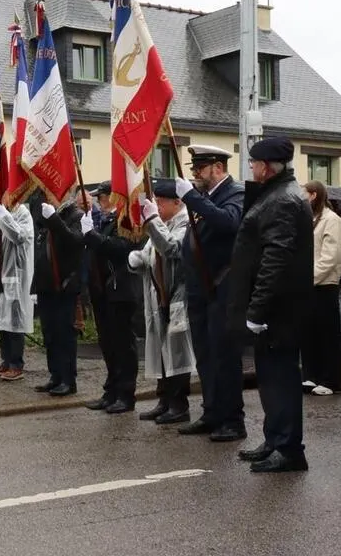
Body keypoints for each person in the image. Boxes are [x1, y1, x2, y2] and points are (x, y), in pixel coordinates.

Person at [229, 137, 313, 473]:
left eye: (253, 162)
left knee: (281, 379)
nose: (251, 167)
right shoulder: (278, 194)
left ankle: (289, 449)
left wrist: (257, 311)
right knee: (270, 377)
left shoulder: (283, 200)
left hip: (280, 311)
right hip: (277, 309)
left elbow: (275, 260)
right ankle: (275, 438)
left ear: (266, 166)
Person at [174, 145, 248, 443]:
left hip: (222, 286)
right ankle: (212, 411)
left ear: (217, 167)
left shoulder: (235, 194)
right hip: (200, 287)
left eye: (200, 169)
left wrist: (191, 198)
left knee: (224, 356)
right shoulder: (207, 197)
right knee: (205, 355)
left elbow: (228, 222)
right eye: (194, 169)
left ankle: (233, 420)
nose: (195, 174)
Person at [129, 180, 196, 424]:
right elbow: (150, 253)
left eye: (161, 202)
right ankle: (164, 400)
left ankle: (179, 405)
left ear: (177, 202)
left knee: (176, 351)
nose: (156, 206)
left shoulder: (186, 223)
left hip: (177, 295)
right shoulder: (164, 222)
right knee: (160, 348)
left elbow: (171, 248)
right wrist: (136, 259)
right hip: (157, 295)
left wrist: (153, 222)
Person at [80, 181, 144, 413]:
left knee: (122, 345)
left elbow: (121, 247)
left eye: (103, 198)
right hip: (103, 289)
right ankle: (111, 391)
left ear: (115, 198)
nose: (100, 202)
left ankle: (126, 394)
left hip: (121, 289)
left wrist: (93, 236)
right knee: (107, 343)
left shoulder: (127, 220)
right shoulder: (107, 220)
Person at [31, 195, 84, 396]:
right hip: (47, 285)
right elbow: (41, 251)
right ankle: (55, 376)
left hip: (64, 285)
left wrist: (54, 219)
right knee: (50, 334)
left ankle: (68, 380)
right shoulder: (48, 214)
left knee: (64, 335)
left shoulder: (75, 215)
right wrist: (34, 287)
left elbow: (74, 241)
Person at [300, 180, 341, 396]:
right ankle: (311, 375)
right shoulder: (310, 219)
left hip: (324, 284)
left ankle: (330, 380)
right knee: (308, 333)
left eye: (304, 194)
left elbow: (330, 257)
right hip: (308, 284)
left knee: (327, 334)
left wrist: (309, 278)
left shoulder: (332, 220)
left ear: (314, 195)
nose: (301, 199)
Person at [0, 200, 35, 381]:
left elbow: (19, 236)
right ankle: (5, 360)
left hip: (16, 275)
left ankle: (16, 364)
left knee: (14, 321)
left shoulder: (22, 213)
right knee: (3, 321)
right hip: (0, 275)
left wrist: (4, 216)